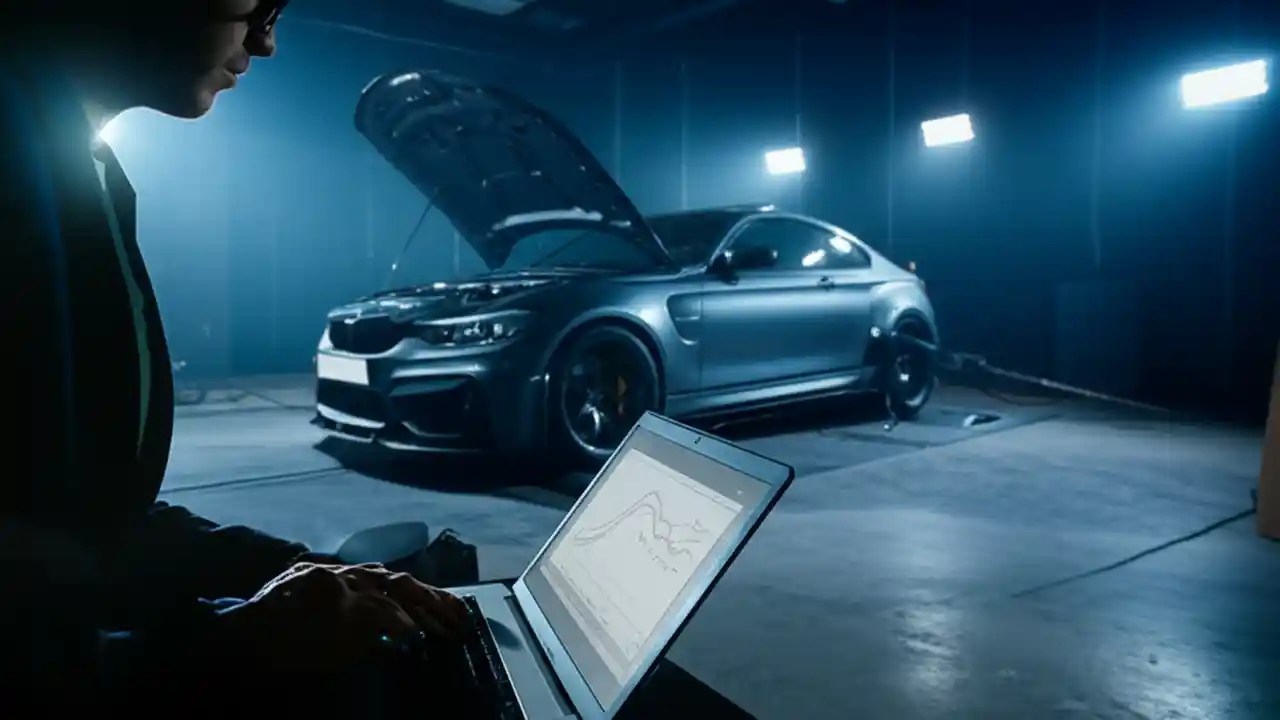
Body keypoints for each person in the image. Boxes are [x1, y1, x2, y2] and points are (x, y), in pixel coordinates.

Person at [0, 1, 468, 706]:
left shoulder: (79, 165)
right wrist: (219, 646)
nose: (267, 41)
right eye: (262, 4)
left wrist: (294, 570)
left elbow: (88, 523)